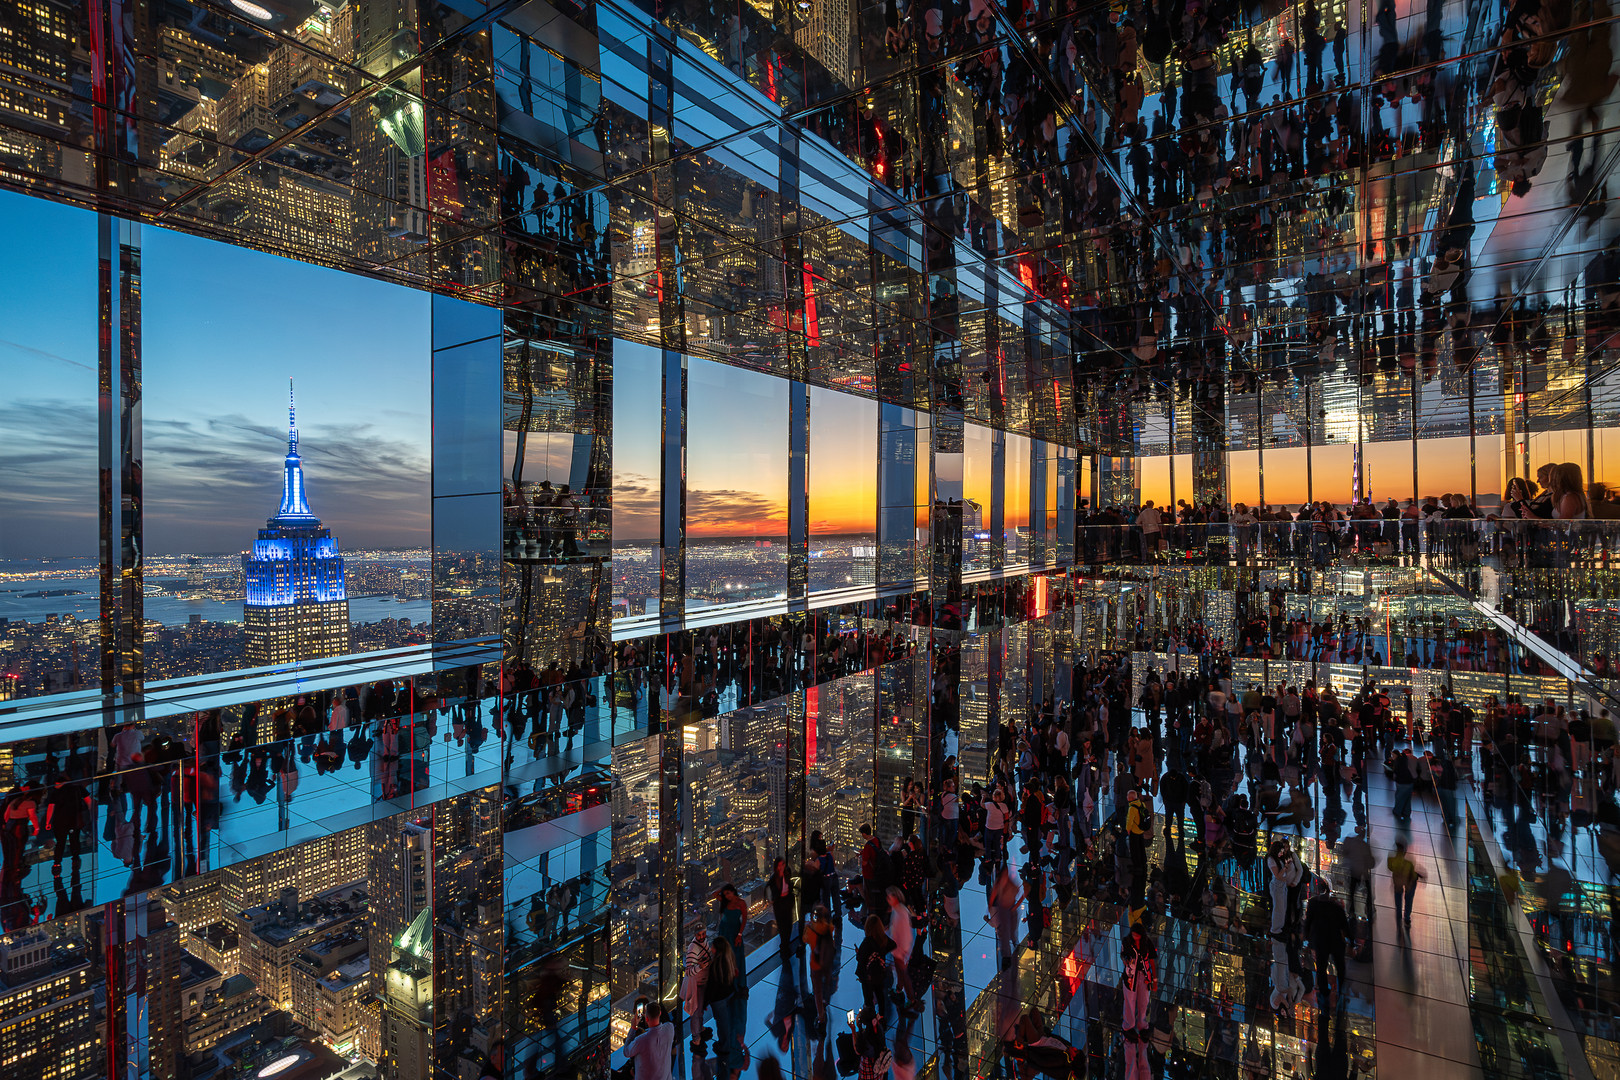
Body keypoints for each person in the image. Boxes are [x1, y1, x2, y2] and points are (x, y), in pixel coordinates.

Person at [1120, 920, 1157, 1080]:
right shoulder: (1126, 942)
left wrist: (1154, 980)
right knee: (1129, 1002)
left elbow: (1152, 961)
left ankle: (1142, 1026)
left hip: (1143, 978)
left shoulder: (1147, 943)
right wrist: (1127, 960)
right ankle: (1128, 1027)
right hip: (1130, 978)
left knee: (1143, 1002)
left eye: (1137, 934)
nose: (1135, 936)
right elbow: (1123, 956)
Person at [803, 903, 837, 1028]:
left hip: (815, 964)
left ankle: (821, 1018)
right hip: (827, 962)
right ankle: (825, 999)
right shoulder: (829, 927)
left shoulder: (811, 929)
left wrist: (809, 925)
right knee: (826, 983)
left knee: (817, 991)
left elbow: (804, 939)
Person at [620, 1001, 674, 1080]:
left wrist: (633, 1027)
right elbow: (662, 1025)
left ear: (647, 1018)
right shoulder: (670, 1028)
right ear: (660, 1013)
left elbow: (626, 1052)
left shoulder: (641, 1040)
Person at [855, 914, 894, 1016]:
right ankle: (881, 1016)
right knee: (880, 994)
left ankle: (870, 1018)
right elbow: (893, 945)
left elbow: (860, 959)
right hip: (879, 972)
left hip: (867, 976)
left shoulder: (866, 942)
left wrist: (859, 953)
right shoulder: (883, 939)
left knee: (868, 998)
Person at [679, 926, 711, 1048]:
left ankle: (700, 1029)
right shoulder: (693, 948)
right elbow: (688, 972)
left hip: (703, 982)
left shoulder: (705, 942)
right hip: (697, 984)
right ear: (695, 935)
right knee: (696, 1012)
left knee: (700, 1009)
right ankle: (696, 1037)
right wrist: (700, 967)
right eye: (699, 935)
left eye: (703, 934)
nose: (702, 937)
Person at [886, 886, 916, 1010]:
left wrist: (903, 953)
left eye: (889, 897)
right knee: (900, 971)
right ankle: (899, 989)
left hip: (900, 950)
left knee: (903, 973)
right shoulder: (898, 910)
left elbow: (905, 934)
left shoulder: (901, 912)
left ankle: (911, 999)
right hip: (898, 949)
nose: (887, 899)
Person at [1387, 840, 1424, 929]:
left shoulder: (1392, 858)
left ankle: (1399, 914)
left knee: (1398, 897)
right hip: (1409, 882)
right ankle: (1406, 917)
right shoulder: (1408, 860)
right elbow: (1411, 873)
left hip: (1398, 881)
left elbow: (1390, 867)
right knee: (1408, 899)